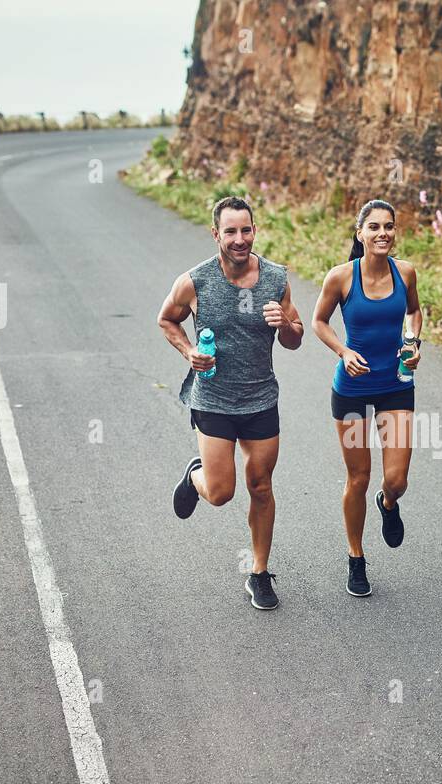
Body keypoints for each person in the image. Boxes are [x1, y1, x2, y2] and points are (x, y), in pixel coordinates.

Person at [156, 195, 304, 610]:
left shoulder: (276, 278)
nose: (239, 239)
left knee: (260, 485)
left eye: (246, 230)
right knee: (221, 493)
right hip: (214, 398)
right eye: (231, 231)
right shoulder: (196, 280)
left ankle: (259, 572)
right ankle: (195, 477)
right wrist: (188, 351)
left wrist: (285, 324)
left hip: (260, 399)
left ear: (254, 231)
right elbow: (166, 318)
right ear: (215, 233)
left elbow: (295, 337)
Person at [310, 199, 424, 597]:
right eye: (373, 227)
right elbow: (318, 322)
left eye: (388, 226)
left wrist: (412, 342)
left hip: (395, 383)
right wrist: (343, 352)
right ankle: (356, 558)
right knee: (358, 477)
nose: (382, 234)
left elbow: (414, 312)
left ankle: (388, 504)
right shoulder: (341, 277)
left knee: (397, 479)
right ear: (359, 234)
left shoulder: (405, 272)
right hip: (353, 389)